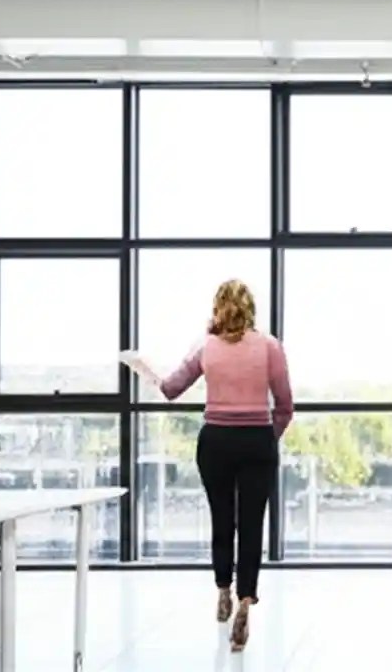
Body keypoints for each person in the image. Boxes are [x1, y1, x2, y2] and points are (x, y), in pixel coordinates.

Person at [121, 280, 293, 653]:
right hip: (257, 440)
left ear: (218, 308)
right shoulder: (270, 347)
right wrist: (266, 438)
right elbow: (284, 406)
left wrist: (142, 367)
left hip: (215, 440)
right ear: (250, 309)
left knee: (222, 519)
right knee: (251, 524)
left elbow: (170, 389)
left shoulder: (205, 346)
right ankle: (246, 602)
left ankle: (223, 590)